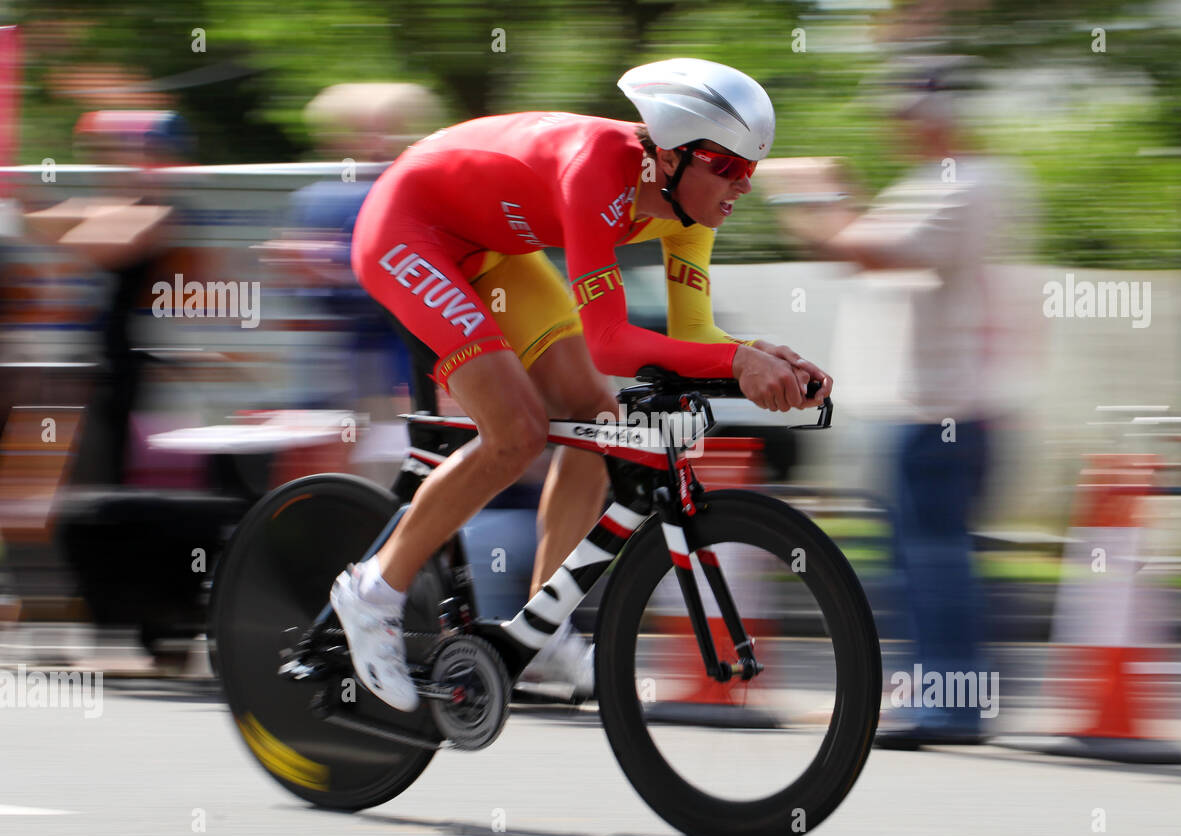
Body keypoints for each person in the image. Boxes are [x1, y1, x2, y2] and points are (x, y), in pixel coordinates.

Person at [332, 58, 833, 711]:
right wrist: (739, 365)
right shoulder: (595, 171)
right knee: (516, 433)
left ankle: (540, 629)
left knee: (598, 423)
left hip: (492, 245)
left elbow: (693, 335)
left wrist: (762, 354)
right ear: (676, 155)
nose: (742, 187)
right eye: (730, 168)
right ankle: (373, 591)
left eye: (752, 171)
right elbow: (608, 340)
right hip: (410, 230)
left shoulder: (688, 211)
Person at [791, 59, 1031, 745]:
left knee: (933, 559)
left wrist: (804, 195)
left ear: (937, 114)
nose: (896, 126)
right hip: (920, 407)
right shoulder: (940, 184)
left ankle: (951, 704)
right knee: (912, 562)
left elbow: (865, 250)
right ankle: (926, 690)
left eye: (907, 112)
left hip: (943, 410)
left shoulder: (970, 186)